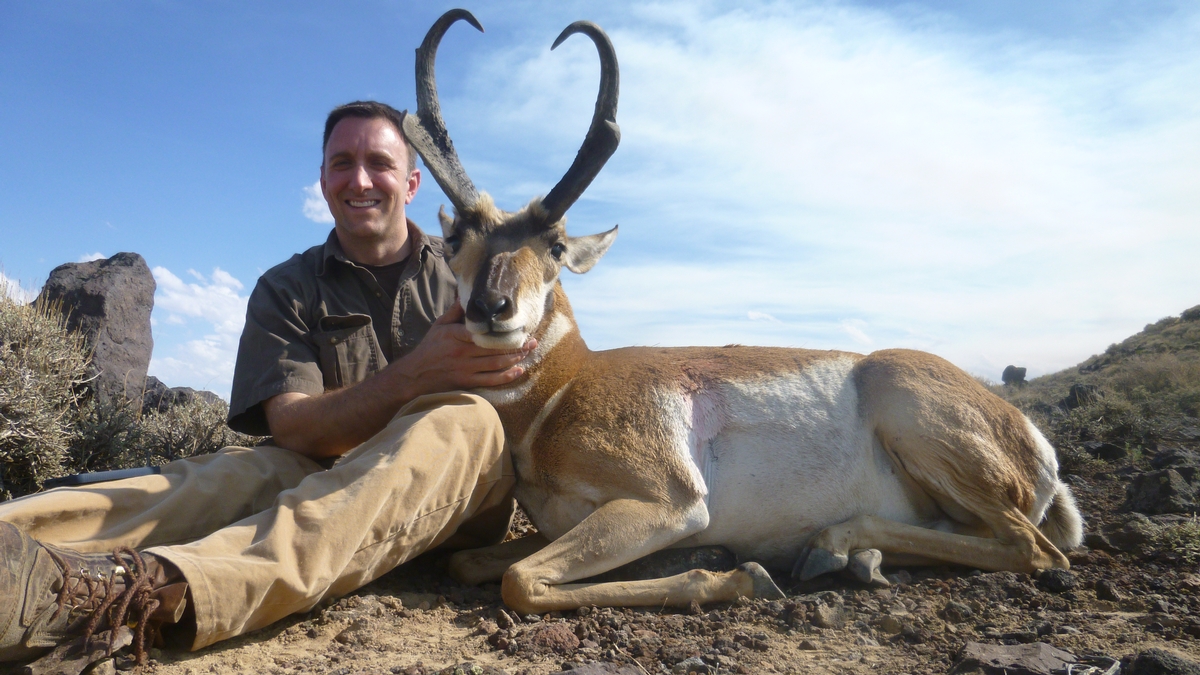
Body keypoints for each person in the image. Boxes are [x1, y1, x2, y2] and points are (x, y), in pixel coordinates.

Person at [0, 100, 533, 663]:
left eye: (379, 162)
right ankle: (18, 543)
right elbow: (294, 428)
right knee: (228, 473)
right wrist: (416, 375)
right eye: (341, 163)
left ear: (413, 182)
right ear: (323, 180)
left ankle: (145, 592)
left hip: (457, 503)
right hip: (326, 472)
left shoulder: (472, 272)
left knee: (466, 422)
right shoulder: (286, 288)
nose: (359, 179)